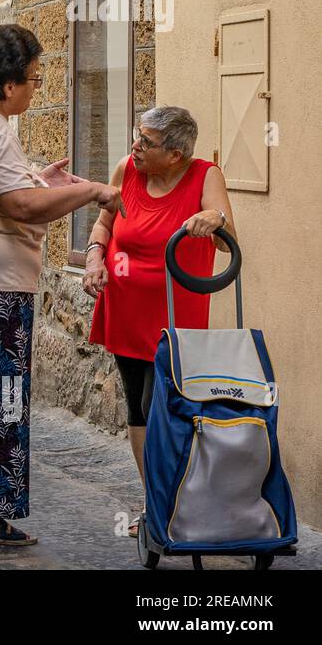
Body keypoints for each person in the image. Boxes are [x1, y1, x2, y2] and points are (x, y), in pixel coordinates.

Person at [0, 23, 123, 546]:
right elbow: (17, 205)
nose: (37, 89)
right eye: (34, 79)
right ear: (8, 84)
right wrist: (89, 192)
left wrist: (40, 181)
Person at [83, 106, 235, 536]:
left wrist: (215, 219)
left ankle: (180, 502)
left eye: (145, 141)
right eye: (137, 135)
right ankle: (156, 504)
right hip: (125, 306)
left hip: (176, 314)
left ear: (176, 154)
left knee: (165, 406)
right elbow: (104, 220)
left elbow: (228, 241)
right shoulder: (126, 170)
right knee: (138, 407)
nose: (135, 146)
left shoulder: (205, 176)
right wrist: (95, 256)